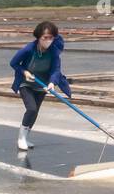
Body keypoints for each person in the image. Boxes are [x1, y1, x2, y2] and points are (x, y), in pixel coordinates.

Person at [9, 21, 71, 152]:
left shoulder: (54, 52)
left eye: (51, 38)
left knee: (35, 111)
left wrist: (52, 83)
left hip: (42, 84)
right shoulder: (28, 49)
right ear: (38, 37)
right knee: (31, 109)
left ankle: (25, 137)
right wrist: (24, 72)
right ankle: (20, 138)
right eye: (45, 38)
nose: (48, 41)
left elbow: (56, 70)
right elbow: (14, 63)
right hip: (26, 83)